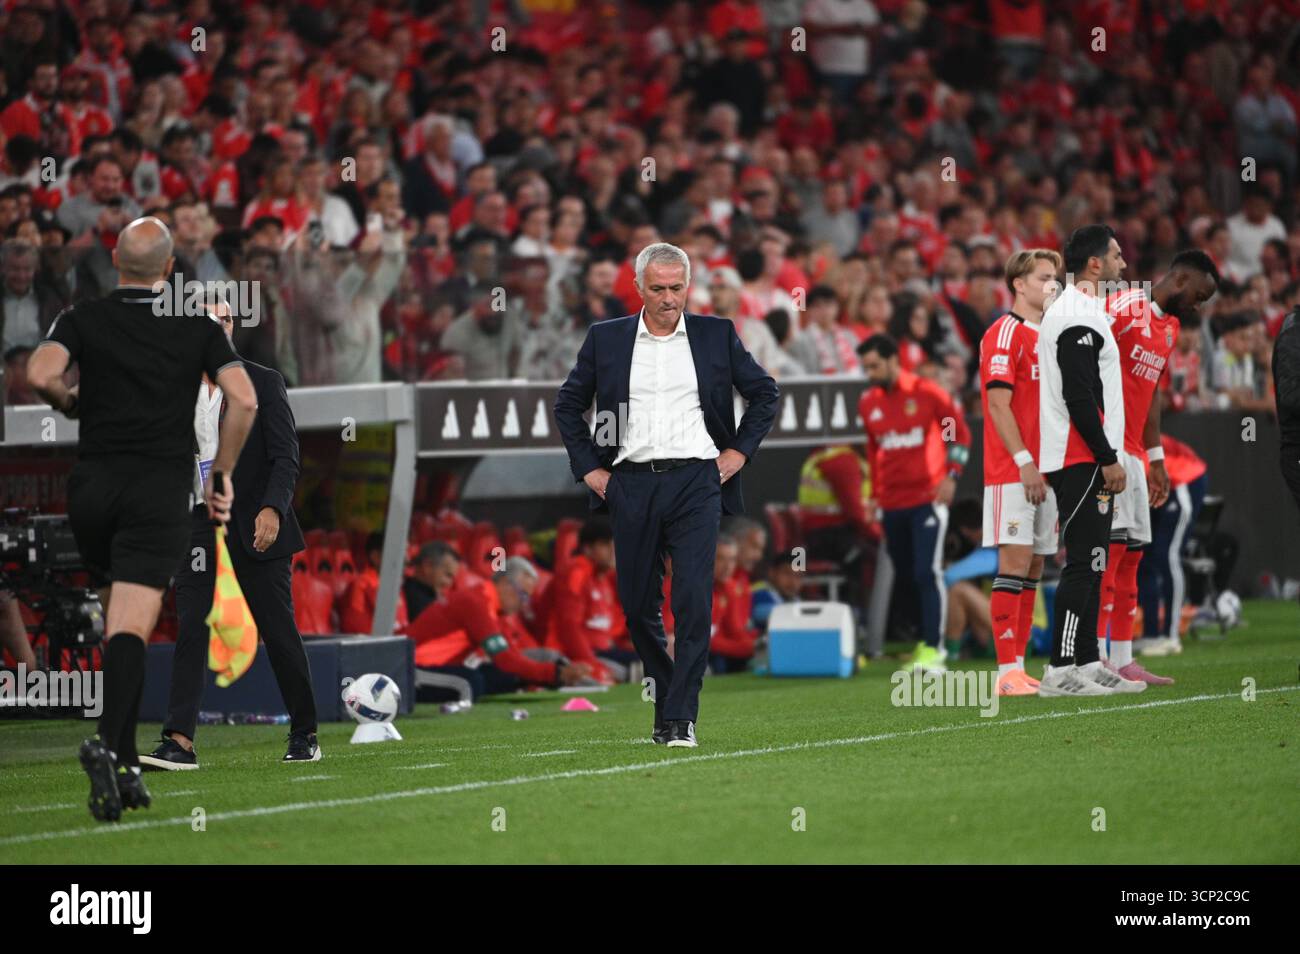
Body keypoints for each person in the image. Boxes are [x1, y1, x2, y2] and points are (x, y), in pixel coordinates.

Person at [26, 216, 256, 822]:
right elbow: (246, 398)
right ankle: (106, 744)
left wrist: (69, 401)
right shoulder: (196, 327)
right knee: (132, 624)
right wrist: (224, 474)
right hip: (155, 489)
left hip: (93, 488)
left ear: (116, 261)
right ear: (171, 270)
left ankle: (125, 763)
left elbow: (39, 373)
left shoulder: (82, 316)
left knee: (113, 618)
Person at [554, 241, 779, 747]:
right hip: (628, 483)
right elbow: (567, 404)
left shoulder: (716, 334)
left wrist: (740, 453)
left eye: (677, 288)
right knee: (636, 607)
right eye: (657, 288)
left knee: (694, 600)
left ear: (688, 287)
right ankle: (665, 699)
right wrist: (589, 467)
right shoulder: (605, 338)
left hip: (697, 480)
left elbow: (765, 392)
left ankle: (681, 717)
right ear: (638, 288)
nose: (668, 298)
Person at [141, 302, 318, 770]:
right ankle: (180, 741)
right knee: (192, 624)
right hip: (198, 521)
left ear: (232, 327)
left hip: (254, 520)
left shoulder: (263, 381)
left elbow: (286, 457)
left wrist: (272, 509)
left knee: (277, 629)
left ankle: (305, 733)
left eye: (222, 320)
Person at [1098, 250, 1220, 684]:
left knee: (1132, 557)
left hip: (1134, 455)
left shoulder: (1168, 328)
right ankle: (1095, 661)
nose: (1198, 305)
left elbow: (1150, 396)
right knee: (1106, 557)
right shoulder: (1125, 305)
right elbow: (1081, 362)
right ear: (1182, 279)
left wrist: (1155, 460)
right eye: (1199, 295)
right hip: (1104, 448)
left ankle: (1124, 658)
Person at [1035, 223, 1143, 696]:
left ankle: (1085, 659)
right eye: (1116, 255)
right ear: (1095, 263)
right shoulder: (1075, 312)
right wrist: (1107, 457)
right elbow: (1080, 396)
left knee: (1093, 562)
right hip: (1080, 456)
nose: (1123, 264)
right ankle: (1059, 670)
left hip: (1085, 455)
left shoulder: (1083, 311)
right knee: (1082, 563)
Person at [856, 332, 970, 674]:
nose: (870, 373)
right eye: (866, 367)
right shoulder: (869, 402)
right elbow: (875, 450)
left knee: (926, 571)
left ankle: (935, 651)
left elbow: (959, 434)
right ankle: (924, 643)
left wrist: (951, 475)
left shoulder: (927, 394)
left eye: (875, 365)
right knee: (907, 574)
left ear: (894, 360)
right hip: (892, 502)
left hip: (928, 498)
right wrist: (874, 495)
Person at [978, 248, 1062, 696]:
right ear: (1019, 284)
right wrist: (1025, 462)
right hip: (1013, 471)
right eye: (1045, 277)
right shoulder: (1005, 333)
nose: (1053, 285)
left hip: (1046, 471)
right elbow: (997, 403)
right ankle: (1004, 671)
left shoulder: (1047, 334)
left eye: (1056, 278)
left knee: (1033, 567)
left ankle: (1019, 667)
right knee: (1012, 564)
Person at [407, 557, 592, 700]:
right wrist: (556, 674)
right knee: (472, 682)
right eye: (523, 595)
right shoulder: (476, 602)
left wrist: (553, 673)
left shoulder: (491, 606)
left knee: (496, 674)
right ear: (504, 583)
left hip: (435, 666)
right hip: (411, 668)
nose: (523, 604)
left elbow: (511, 655)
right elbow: (505, 659)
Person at [1136, 435, 1208, 657]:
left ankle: (1171, 635)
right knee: (1142, 555)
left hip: (1181, 480)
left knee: (1167, 555)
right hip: (1151, 482)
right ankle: (1150, 633)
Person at [402, 541, 460, 621]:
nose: (449, 583)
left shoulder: (407, 588)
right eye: (447, 575)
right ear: (427, 566)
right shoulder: (412, 598)